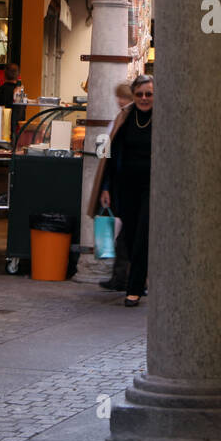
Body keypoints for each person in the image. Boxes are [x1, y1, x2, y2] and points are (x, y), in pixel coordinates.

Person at [87, 74, 154, 305]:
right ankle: (138, 280)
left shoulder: (163, 118)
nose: (144, 98)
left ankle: (134, 289)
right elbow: (108, 153)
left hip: (153, 188)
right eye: (140, 94)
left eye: (149, 94)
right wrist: (105, 187)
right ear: (133, 96)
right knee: (132, 235)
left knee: (143, 237)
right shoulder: (124, 117)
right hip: (126, 187)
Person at [0, 61, 26, 140]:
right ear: (18, 76)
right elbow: (21, 116)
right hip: (14, 135)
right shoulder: (20, 95)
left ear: (4, 75)